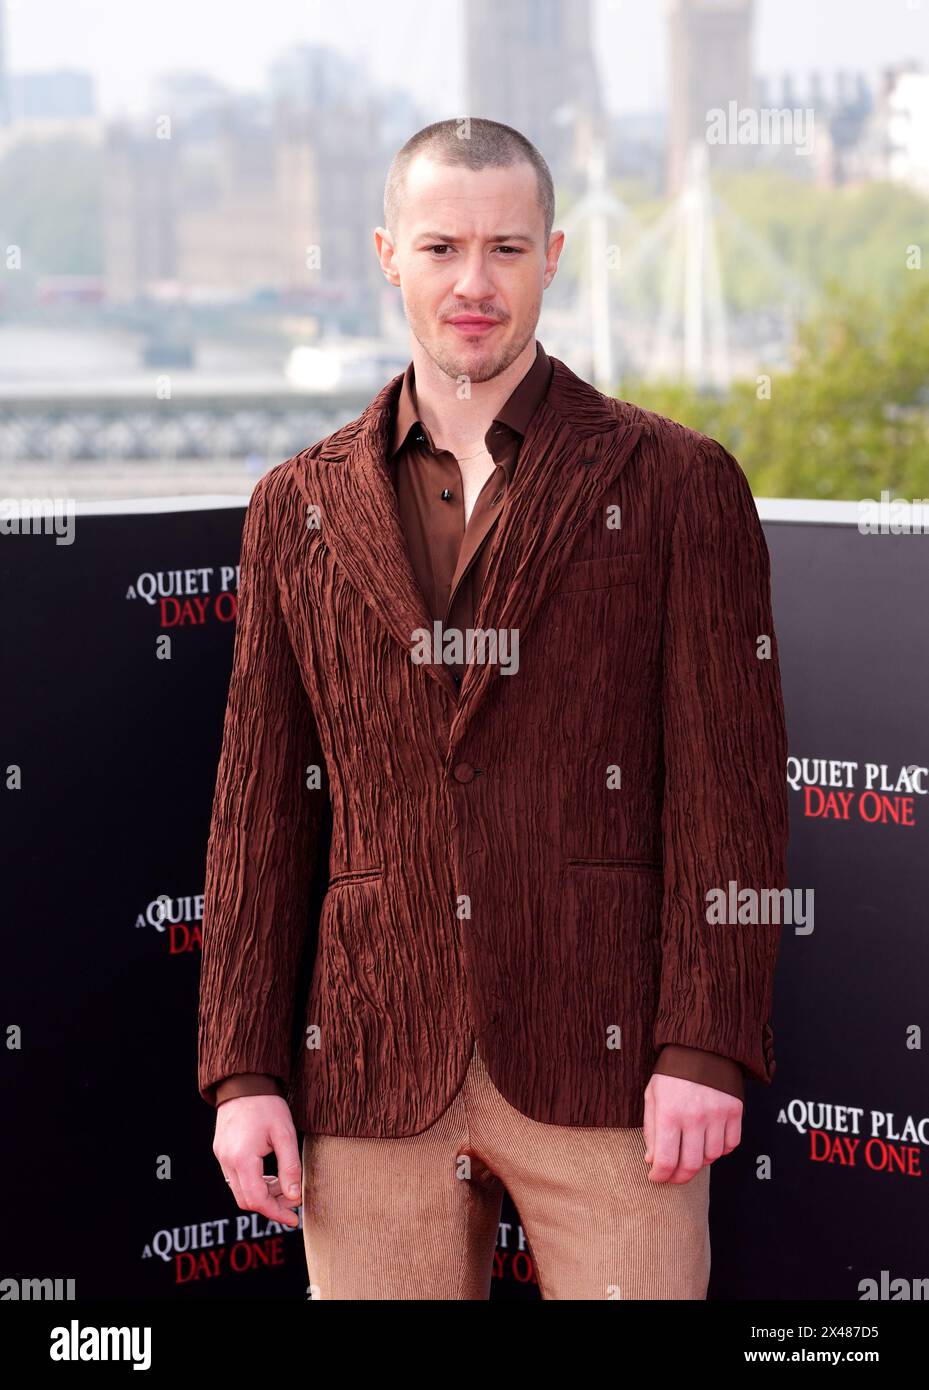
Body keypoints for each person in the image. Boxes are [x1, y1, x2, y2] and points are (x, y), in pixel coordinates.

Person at [198, 118, 789, 1300]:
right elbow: (260, 811)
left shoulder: (677, 483)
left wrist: (703, 1045)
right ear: (386, 255)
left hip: (610, 1058)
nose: (473, 283)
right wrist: (242, 1068)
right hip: (367, 1059)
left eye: (506, 248)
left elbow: (731, 787)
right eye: (441, 246)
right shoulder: (293, 507)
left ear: (553, 256)